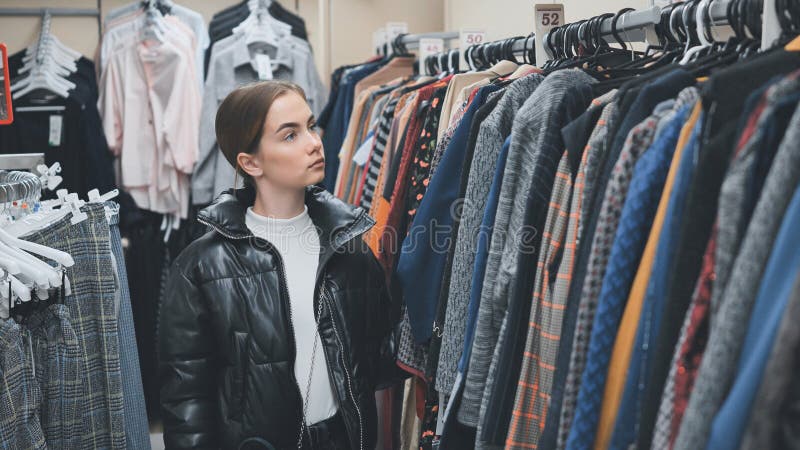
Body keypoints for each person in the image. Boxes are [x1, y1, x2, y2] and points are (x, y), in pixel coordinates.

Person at [159, 80, 398, 450]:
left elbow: (375, 365)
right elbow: (187, 398)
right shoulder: (202, 267)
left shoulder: (347, 248)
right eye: (290, 136)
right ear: (250, 162)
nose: (314, 142)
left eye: (311, 126)